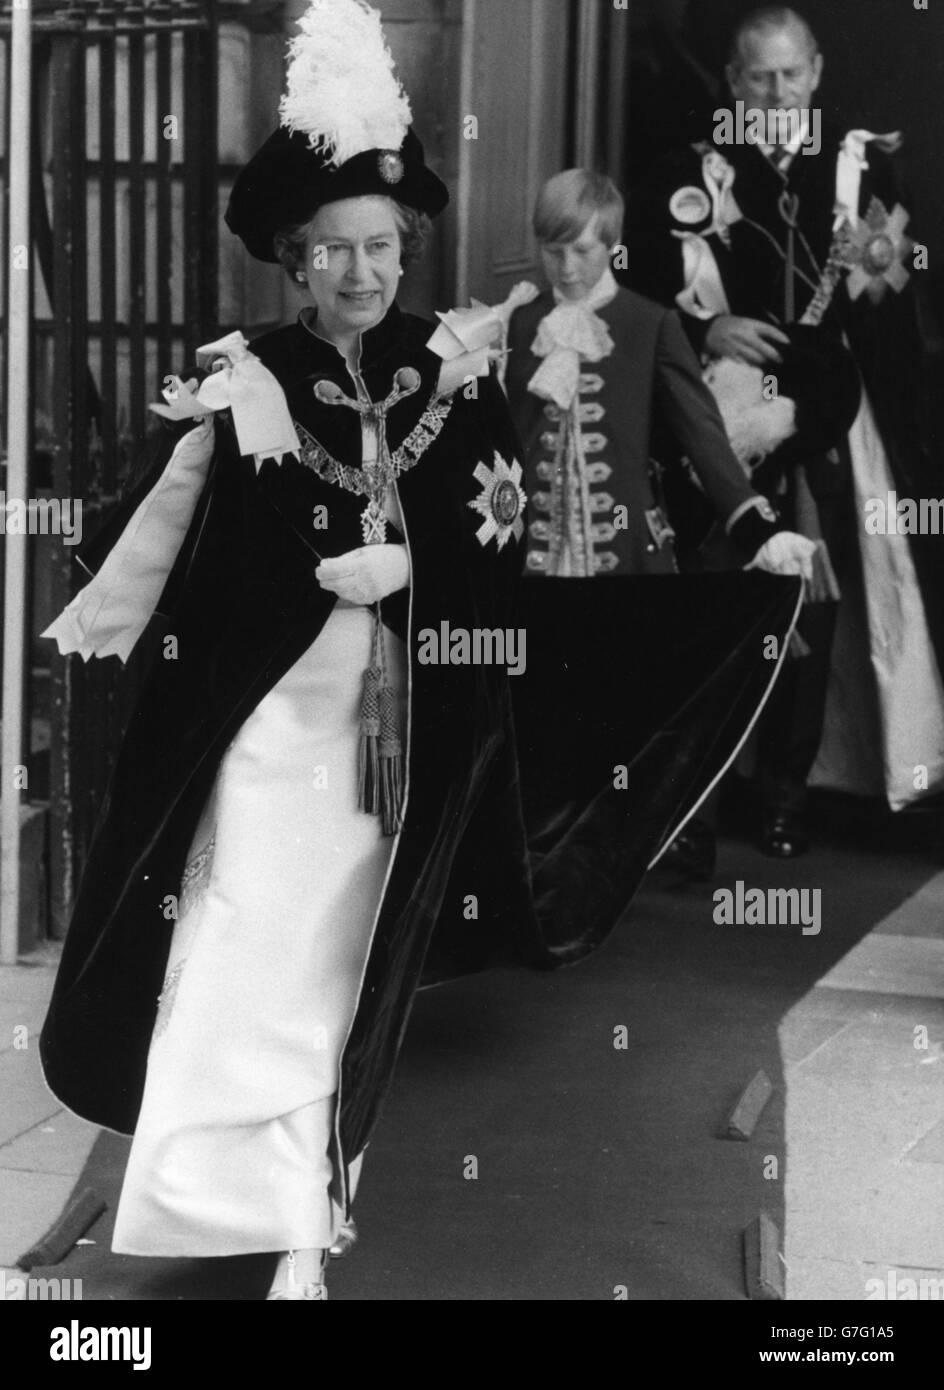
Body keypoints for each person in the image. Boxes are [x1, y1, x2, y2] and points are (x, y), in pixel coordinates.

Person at [39, 0, 534, 1301]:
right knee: (237, 930)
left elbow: (500, 548)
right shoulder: (247, 372)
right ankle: (194, 1197)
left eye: (380, 246)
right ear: (292, 260)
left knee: (332, 971)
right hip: (270, 721)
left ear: (404, 245)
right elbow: (171, 536)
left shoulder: (456, 367)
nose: (363, 273)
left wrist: (411, 566)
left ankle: (307, 1225)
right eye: (333, 252)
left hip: (399, 731)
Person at [623, 3, 944, 856]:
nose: (776, 92)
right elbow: (635, 303)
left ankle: (784, 796)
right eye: (758, 76)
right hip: (713, 420)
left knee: (816, 598)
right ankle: (699, 792)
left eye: (790, 74)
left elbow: (892, 313)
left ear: (816, 73)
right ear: (732, 82)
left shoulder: (862, 173)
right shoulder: (681, 176)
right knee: (719, 591)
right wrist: (705, 332)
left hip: (829, 417)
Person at [503, 166, 818, 877]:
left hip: (625, 562)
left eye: (584, 249)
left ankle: (631, 845)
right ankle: (545, 850)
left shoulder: (650, 324)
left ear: (611, 245)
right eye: (555, 250)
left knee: (627, 705)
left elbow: (705, 440)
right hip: (535, 563)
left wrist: (757, 529)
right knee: (542, 705)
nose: (569, 265)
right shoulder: (518, 324)